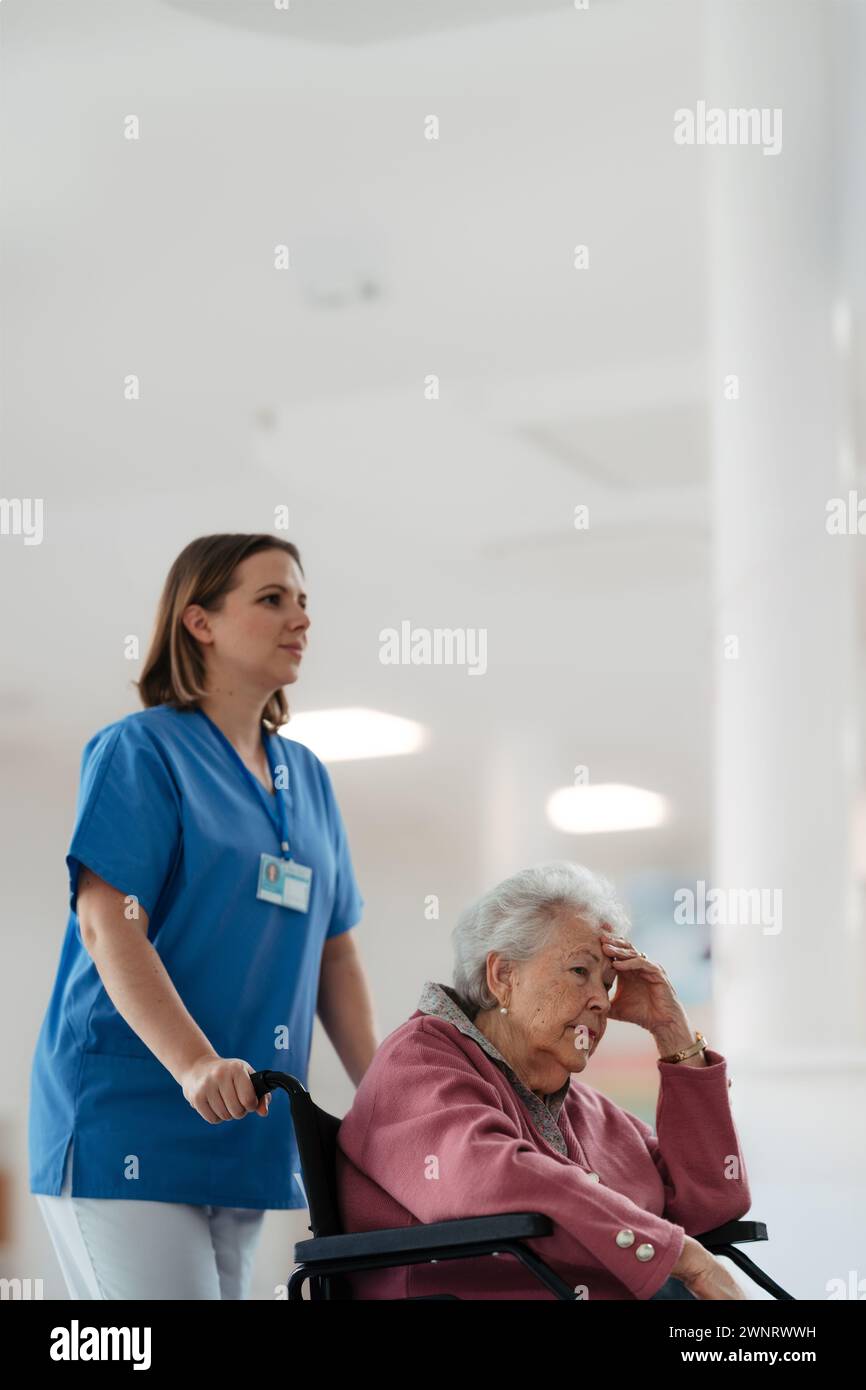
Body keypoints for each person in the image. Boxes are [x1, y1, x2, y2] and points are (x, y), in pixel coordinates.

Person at [29, 532, 378, 1299]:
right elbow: (107, 923)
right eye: (272, 598)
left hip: (243, 1129)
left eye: (304, 601)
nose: (301, 618)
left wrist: (386, 1093)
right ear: (200, 622)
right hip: (131, 1119)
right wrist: (192, 1064)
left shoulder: (309, 778)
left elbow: (336, 955)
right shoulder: (142, 751)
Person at [337, 861, 750, 1300]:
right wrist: (679, 1255)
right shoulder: (417, 1063)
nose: (601, 1001)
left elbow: (712, 1202)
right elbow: (491, 1178)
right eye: (579, 971)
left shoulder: (587, 1109)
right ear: (503, 976)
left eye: (608, 983)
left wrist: (674, 1033)